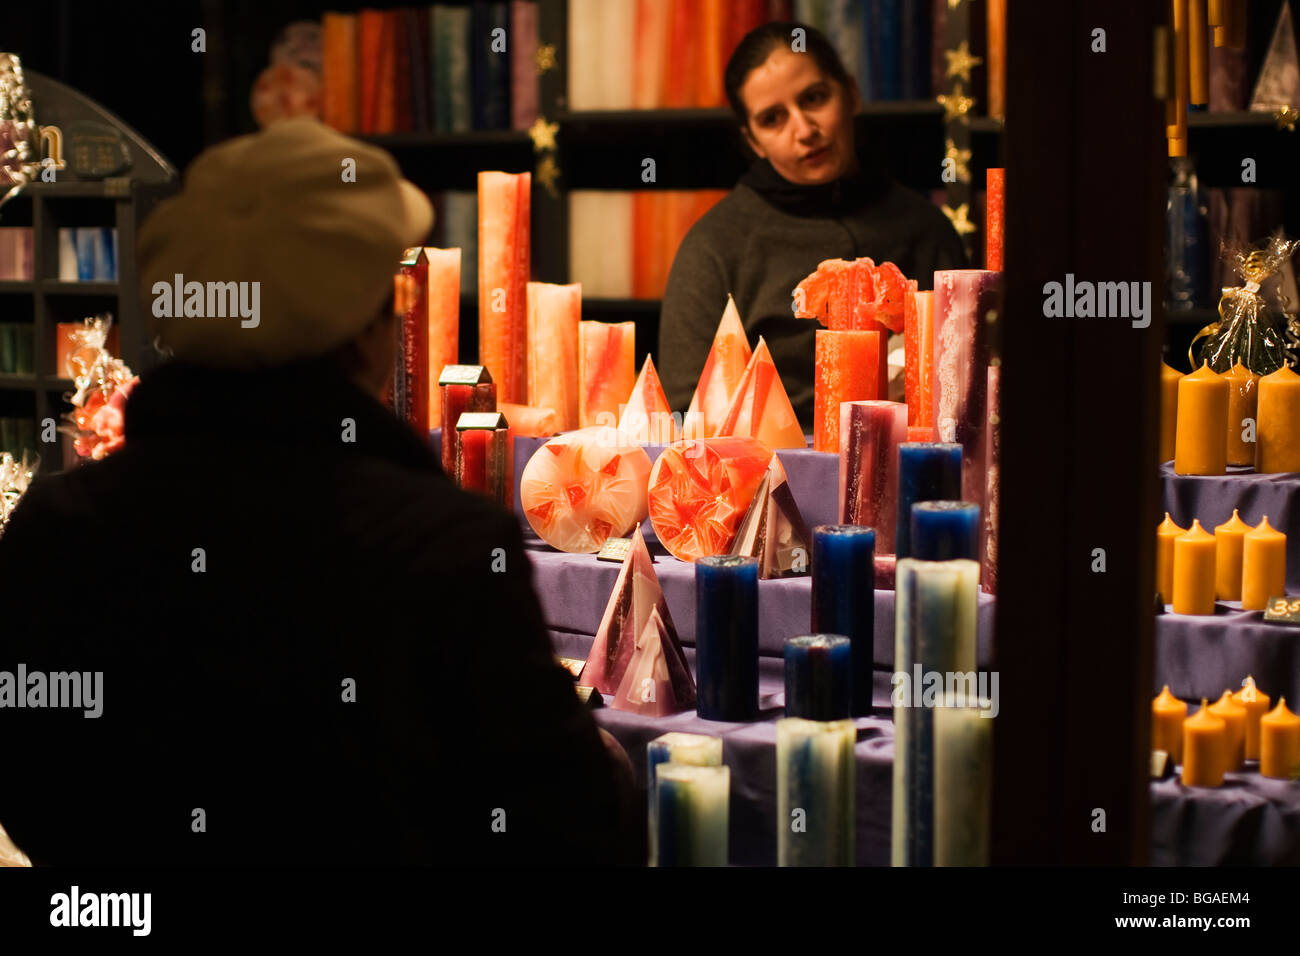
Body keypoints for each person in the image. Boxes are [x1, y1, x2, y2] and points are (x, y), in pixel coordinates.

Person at [0, 117, 641, 866]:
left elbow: (34, 794)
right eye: (392, 303)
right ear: (364, 335)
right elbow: (566, 832)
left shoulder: (58, 527)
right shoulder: (443, 547)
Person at [659, 21, 969, 429]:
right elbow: (685, 417)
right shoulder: (713, 246)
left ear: (852, 93)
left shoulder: (926, 227)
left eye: (814, 98)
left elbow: (967, 385)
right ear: (753, 142)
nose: (804, 131)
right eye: (773, 119)